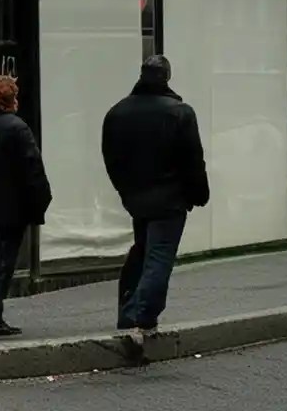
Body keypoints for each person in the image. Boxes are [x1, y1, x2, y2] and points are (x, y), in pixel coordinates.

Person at [101, 55, 209, 360]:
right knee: (159, 256)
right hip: (170, 198)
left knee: (141, 250)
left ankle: (127, 312)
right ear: (167, 77)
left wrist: (125, 191)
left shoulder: (117, 113)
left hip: (136, 197)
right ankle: (139, 318)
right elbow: (192, 159)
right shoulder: (179, 113)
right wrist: (199, 193)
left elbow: (111, 158)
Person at [0, 75, 52, 338]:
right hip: (9, 207)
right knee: (2, 263)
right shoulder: (17, 128)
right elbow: (32, 169)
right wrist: (40, 200)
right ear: (11, 99)